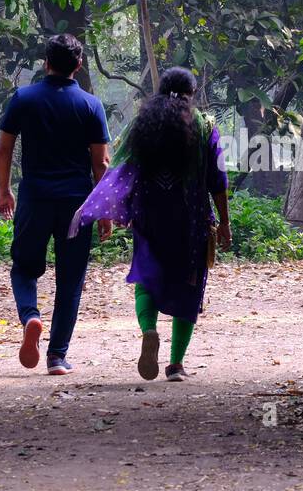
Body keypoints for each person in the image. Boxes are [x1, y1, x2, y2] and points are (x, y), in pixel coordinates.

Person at [70, 67, 231, 382]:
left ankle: (149, 330)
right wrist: (224, 221)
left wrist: (105, 209)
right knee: (189, 284)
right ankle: (176, 365)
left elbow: (118, 169)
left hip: (150, 215)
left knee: (146, 275)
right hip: (191, 220)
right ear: (191, 95)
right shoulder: (205, 126)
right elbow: (218, 179)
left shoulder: (141, 125)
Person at [0, 33, 112, 375]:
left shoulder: (24, 98)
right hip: (77, 203)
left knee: (24, 267)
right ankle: (57, 357)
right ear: (78, 65)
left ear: (45, 62)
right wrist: (103, 209)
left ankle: (31, 315)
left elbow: (3, 149)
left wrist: (4, 192)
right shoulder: (91, 105)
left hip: (34, 197)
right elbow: (101, 165)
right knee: (70, 279)